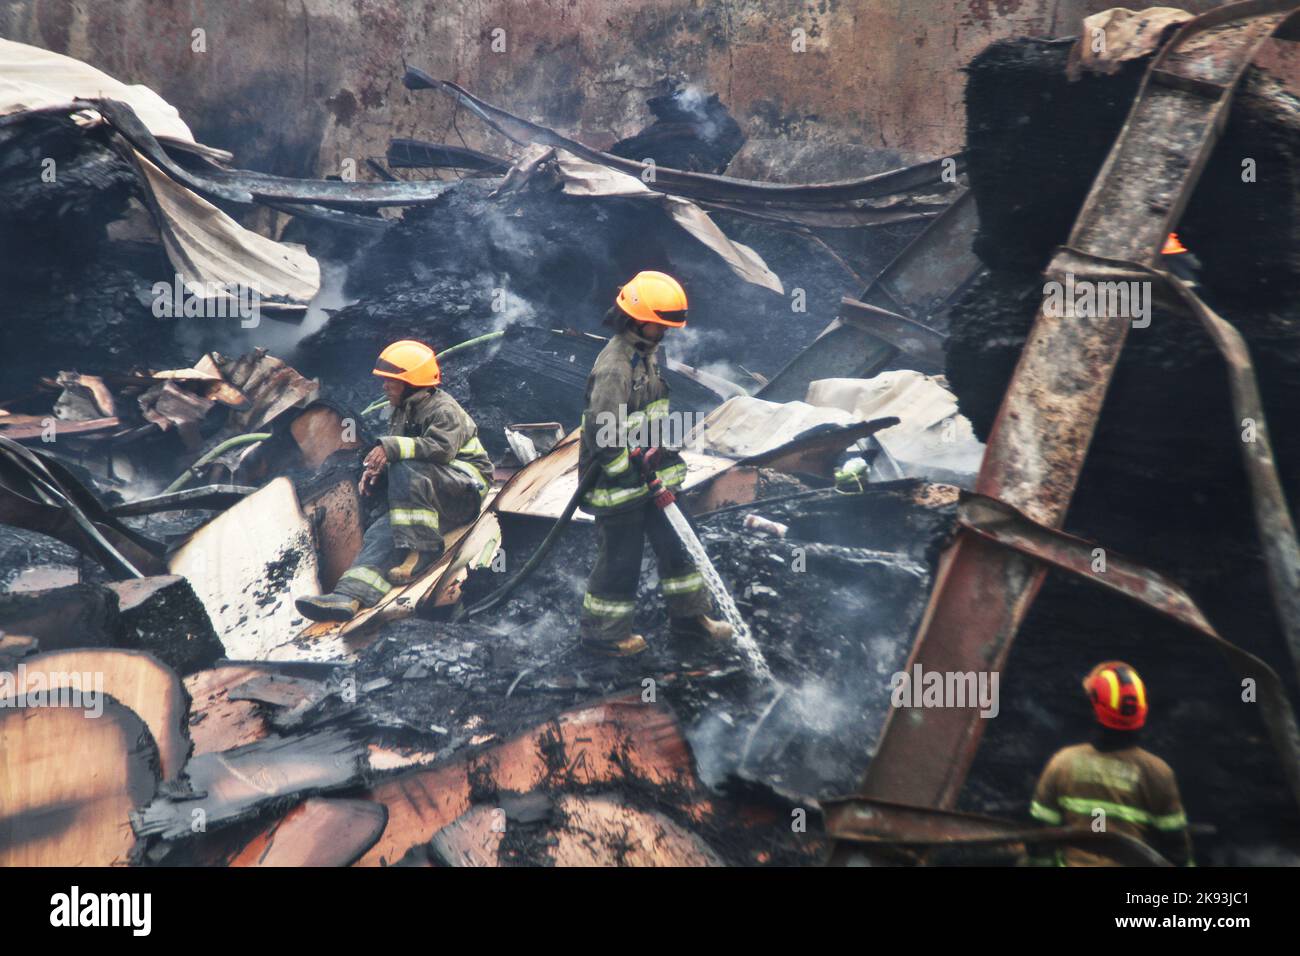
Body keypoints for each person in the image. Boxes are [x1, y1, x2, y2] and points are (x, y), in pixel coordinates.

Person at [577, 270, 733, 657]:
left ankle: (690, 621)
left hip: (650, 474)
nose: (664, 331)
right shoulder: (615, 366)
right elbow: (602, 430)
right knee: (621, 561)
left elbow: (650, 416)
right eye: (658, 324)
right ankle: (603, 636)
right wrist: (627, 471)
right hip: (617, 483)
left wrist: (657, 458)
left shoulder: (645, 353)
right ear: (634, 318)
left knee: (679, 543)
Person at [295, 340, 492, 622]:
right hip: (431, 494)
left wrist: (390, 449)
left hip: (464, 492)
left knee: (405, 466)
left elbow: (441, 450)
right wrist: (378, 472)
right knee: (381, 532)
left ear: (412, 384)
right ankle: (348, 597)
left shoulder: (444, 409)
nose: (385, 386)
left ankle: (423, 550)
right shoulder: (401, 412)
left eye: (392, 381)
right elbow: (406, 456)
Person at [1027, 660, 1193, 866]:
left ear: (1094, 709)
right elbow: (1177, 851)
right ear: (1143, 712)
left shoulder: (1062, 763)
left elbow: (1039, 841)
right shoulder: (1158, 773)